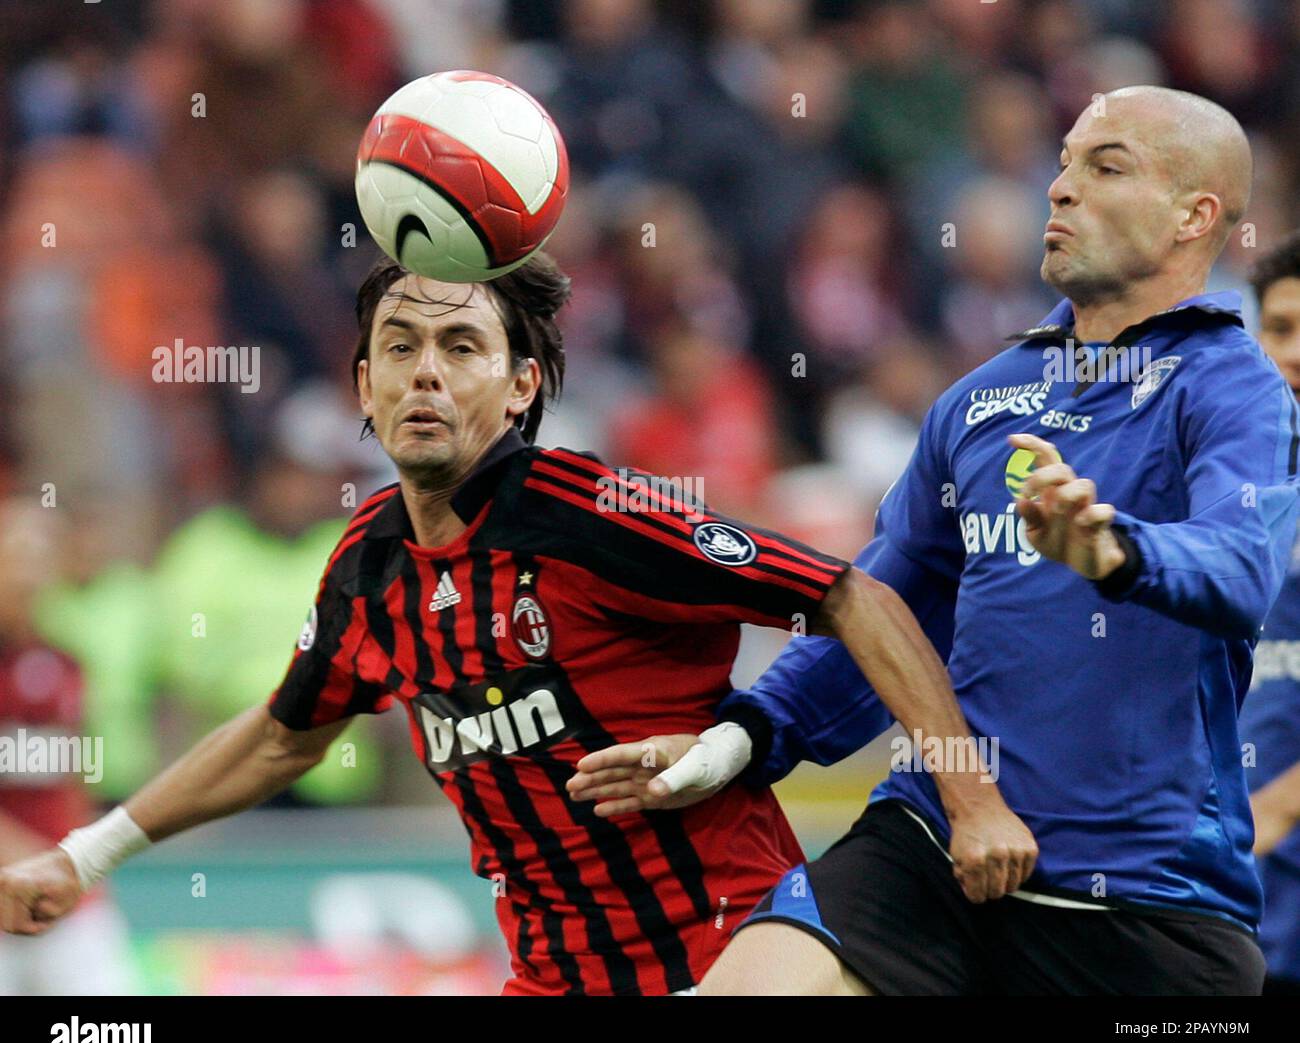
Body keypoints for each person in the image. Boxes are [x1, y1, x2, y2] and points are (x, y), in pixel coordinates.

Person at [0, 253, 1033, 996]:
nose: (426, 372)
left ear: (521, 385)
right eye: (397, 347)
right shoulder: (365, 568)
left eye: (460, 345)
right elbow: (284, 734)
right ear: (363, 383)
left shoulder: (599, 514)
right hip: (551, 975)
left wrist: (969, 795)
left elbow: (850, 594)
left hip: (733, 947)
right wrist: (82, 858)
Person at [593, 86, 1300, 996]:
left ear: (1192, 217)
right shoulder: (978, 399)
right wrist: (737, 738)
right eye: (1064, 163)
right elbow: (878, 608)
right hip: (934, 844)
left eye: (1106, 166)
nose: (1060, 188)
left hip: (1145, 901)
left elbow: (1242, 568)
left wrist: (1113, 549)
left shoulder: (1233, 385)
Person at [0, 502, 135, 995]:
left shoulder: (67, 665)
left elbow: (74, 778)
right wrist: (33, 860)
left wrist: (86, 861)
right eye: (15, 558)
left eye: (40, 559)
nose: (28, 576)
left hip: (64, 896)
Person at [1240, 231, 1300, 996]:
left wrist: (1277, 809)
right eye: (1281, 328)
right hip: (1231, 905)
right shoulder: (1224, 485)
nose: (1296, 352)